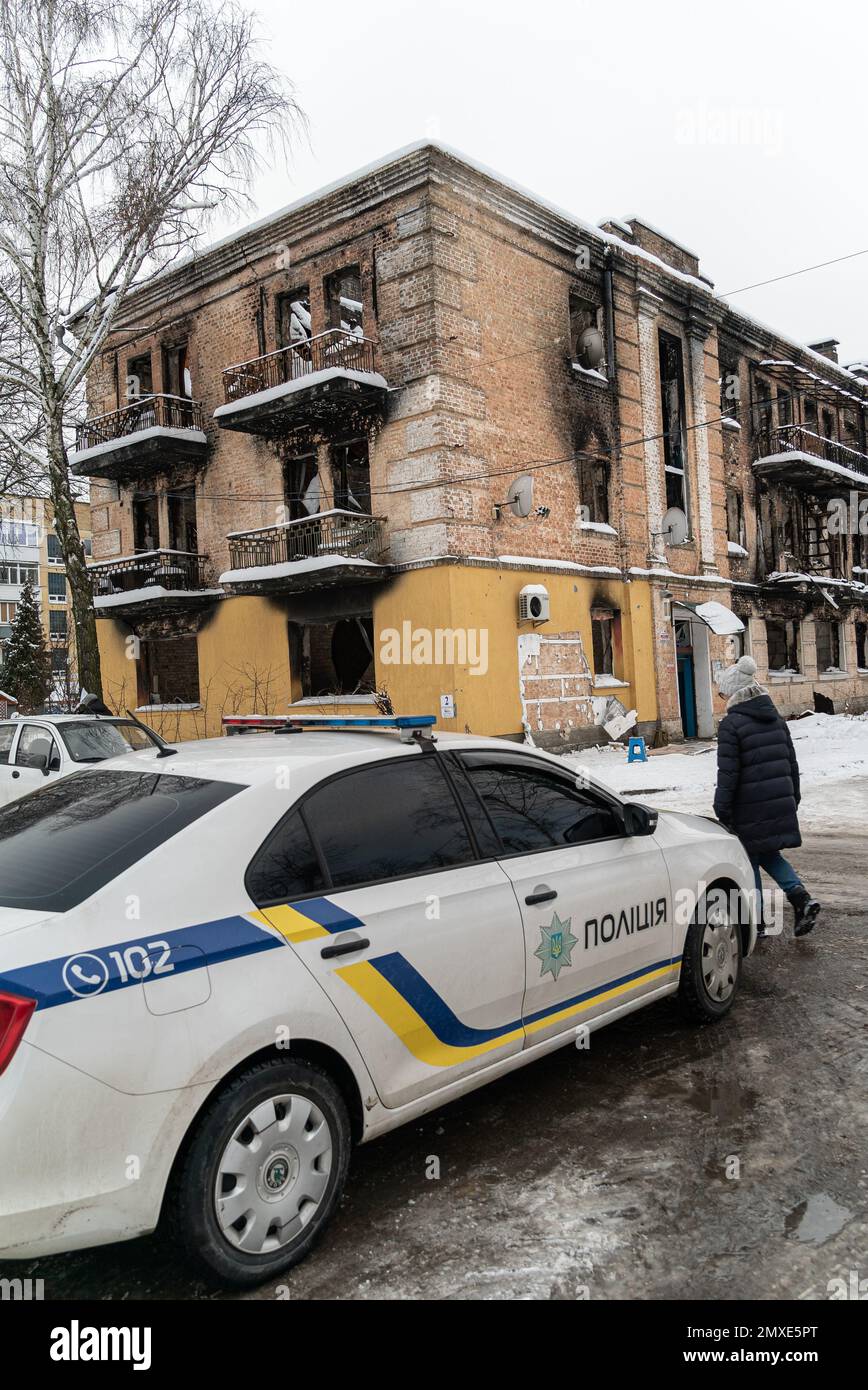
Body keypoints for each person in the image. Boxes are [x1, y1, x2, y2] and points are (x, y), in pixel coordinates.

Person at [713, 655, 820, 937]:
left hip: (747, 808)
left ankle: (756, 923)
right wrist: (793, 797)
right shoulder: (776, 719)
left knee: (748, 861)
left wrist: (721, 809)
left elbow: (728, 774)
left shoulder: (731, 725)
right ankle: (801, 899)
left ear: (734, 692)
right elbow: (791, 762)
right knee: (769, 853)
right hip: (778, 801)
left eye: (723, 692)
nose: (721, 697)